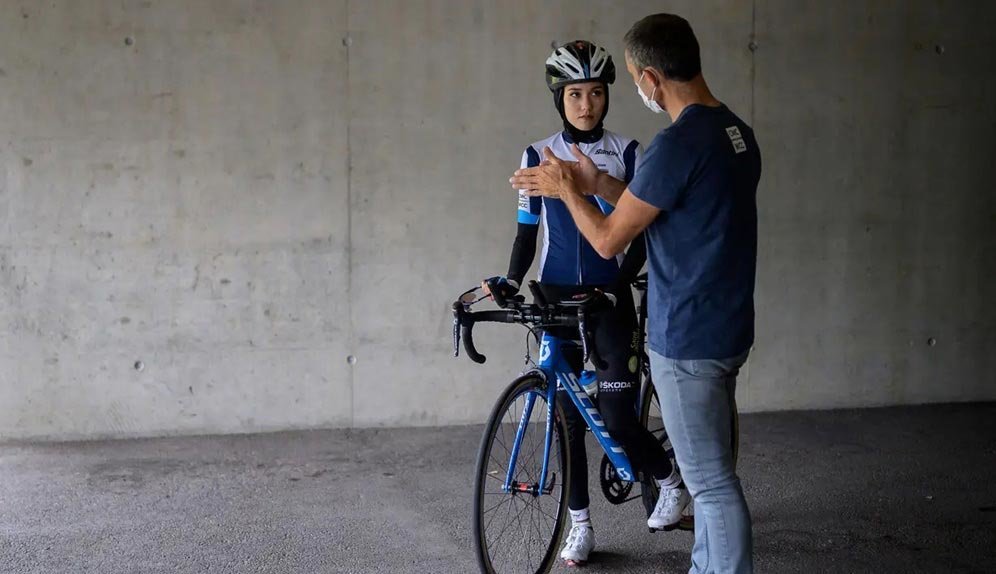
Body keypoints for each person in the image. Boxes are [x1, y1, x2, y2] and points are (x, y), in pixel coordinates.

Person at [508, 15, 761, 574]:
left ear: (649, 78)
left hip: (687, 336)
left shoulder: (671, 145)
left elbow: (606, 239)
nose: (588, 103)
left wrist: (566, 190)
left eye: (613, 84)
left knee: (713, 487)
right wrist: (597, 183)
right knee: (714, 474)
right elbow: (664, 207)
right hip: (727, 324)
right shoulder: (735, 133)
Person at [483, 39, 690, 567]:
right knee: (568, 422)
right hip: (554, 299)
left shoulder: (628, 153)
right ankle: (579, 526)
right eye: (575, 93)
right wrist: (510, 279)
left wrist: (617, 283)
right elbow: (527, 232)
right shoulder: (537, 155)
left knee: (617, 417)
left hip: (607, 299)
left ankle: (667, 480)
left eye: (596, 93)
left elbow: (641, 232)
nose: (586, 104)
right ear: (560, 97)